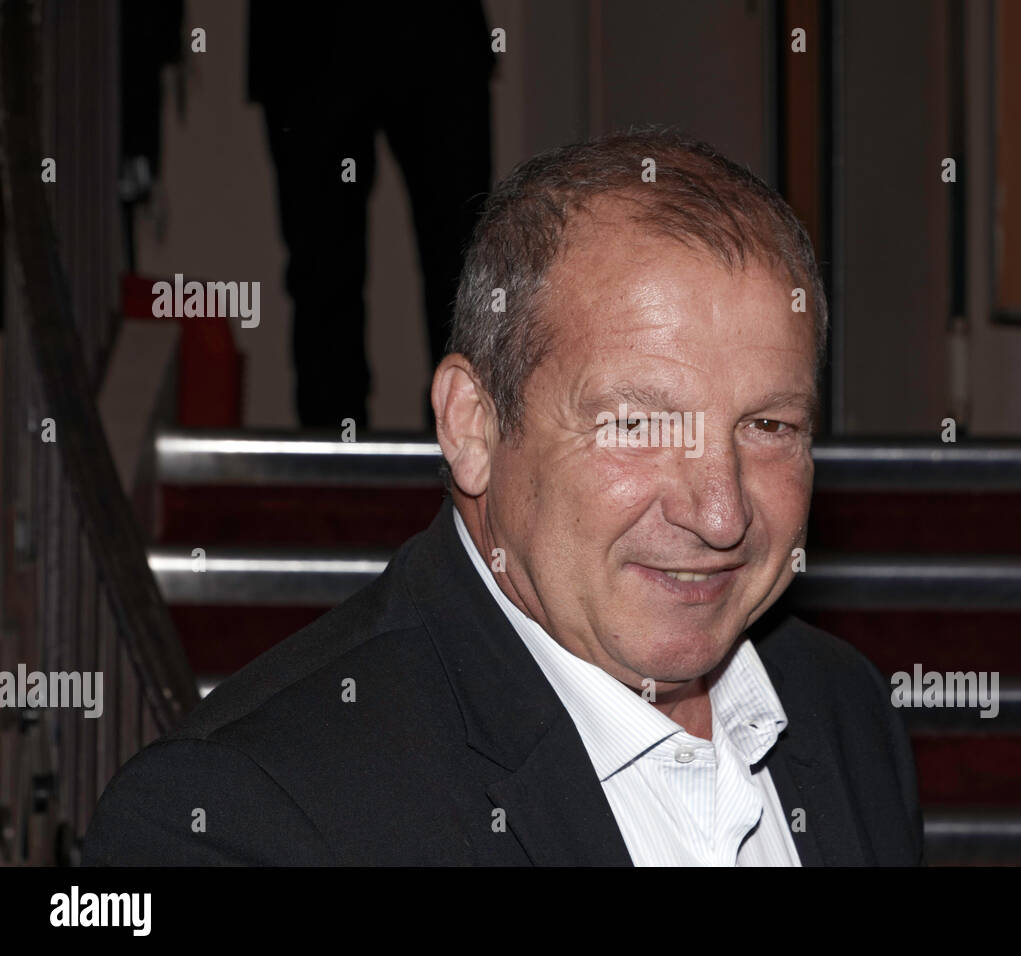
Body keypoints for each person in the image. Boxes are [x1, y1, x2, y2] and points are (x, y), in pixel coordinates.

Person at [82, 127, 924, 866]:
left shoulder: (839, 711)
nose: (721, 512)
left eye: (769, 426)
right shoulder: (241, 818)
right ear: (473, 429)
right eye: (636, 424)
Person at [249, 0, 494, 429]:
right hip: (311, 36)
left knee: (460, 258)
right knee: (322, 263)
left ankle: (457, 436)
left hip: (423, 32)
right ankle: (334, 450)